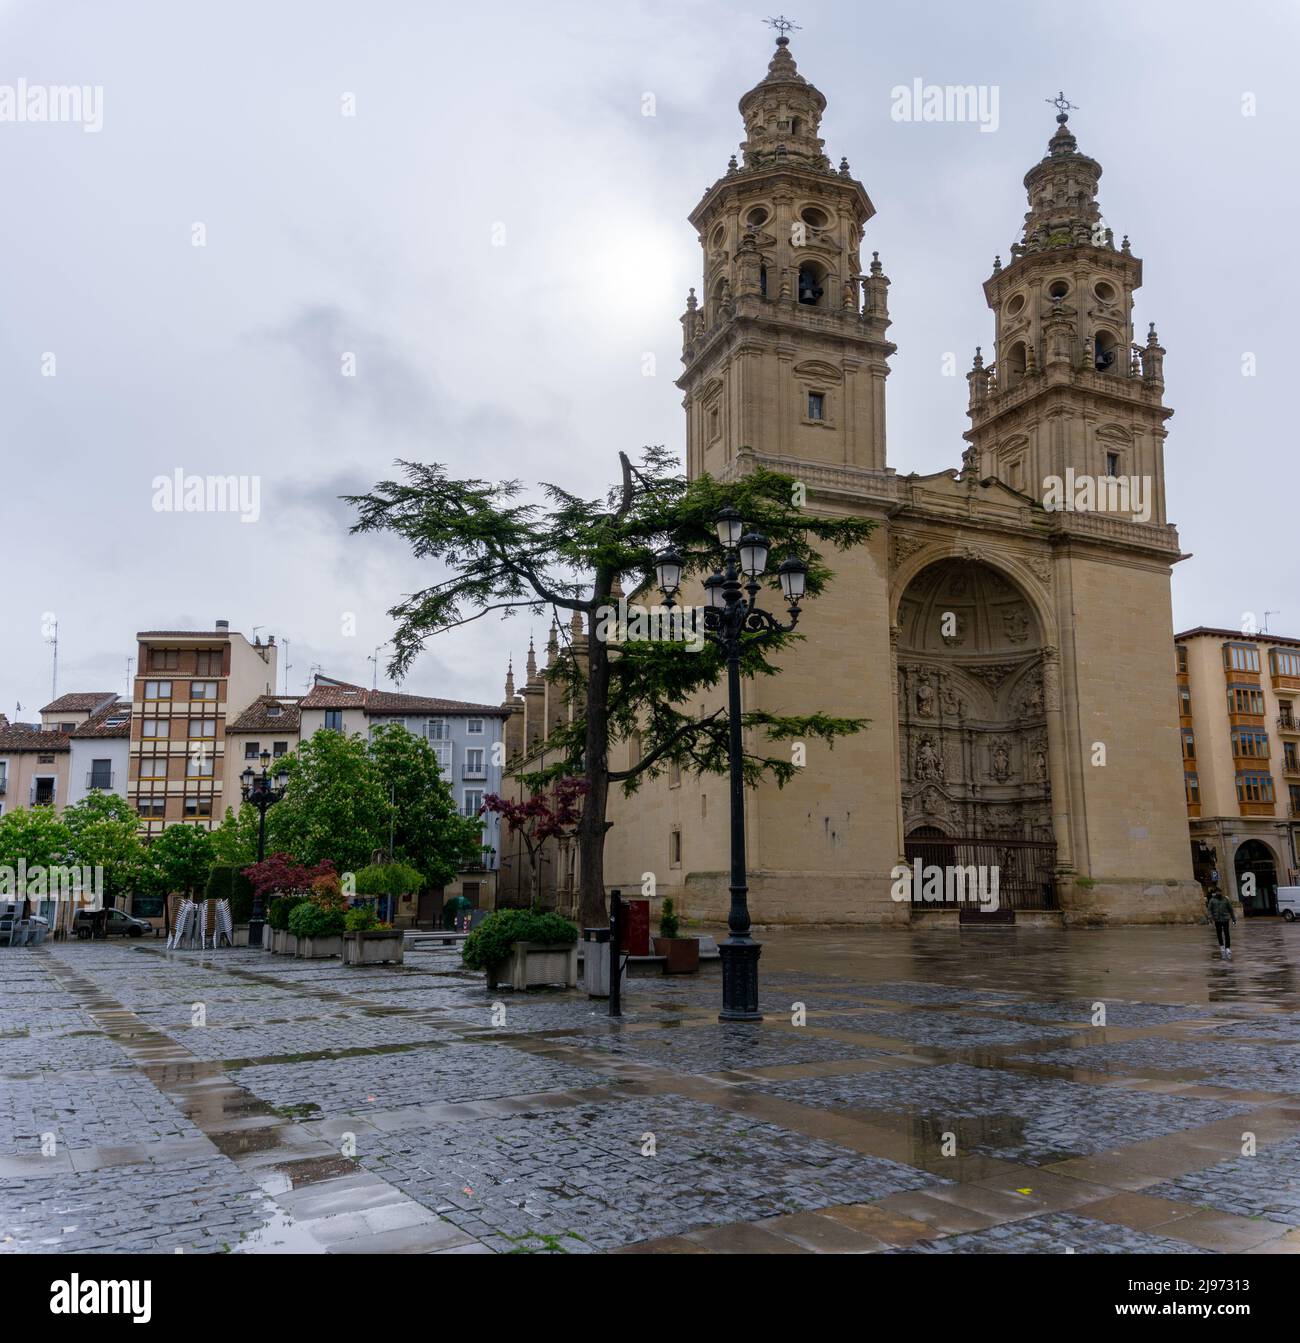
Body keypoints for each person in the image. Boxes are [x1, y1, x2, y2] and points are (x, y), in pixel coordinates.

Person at [1206, 888, 1237, 960]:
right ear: (1215, 892)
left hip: (1225, 919)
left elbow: (1230, 909)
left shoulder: (1225, 899)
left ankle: (1228, 947)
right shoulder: (1212, 900)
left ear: (1221, 892)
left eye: (1219, 891)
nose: (1218, 893)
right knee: (1219, 933)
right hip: (1217, 920)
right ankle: (1221, 946)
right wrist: (1210, 917)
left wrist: (1233, 919)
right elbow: (1209, 909)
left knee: (1227, 933)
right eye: (1217, 892)